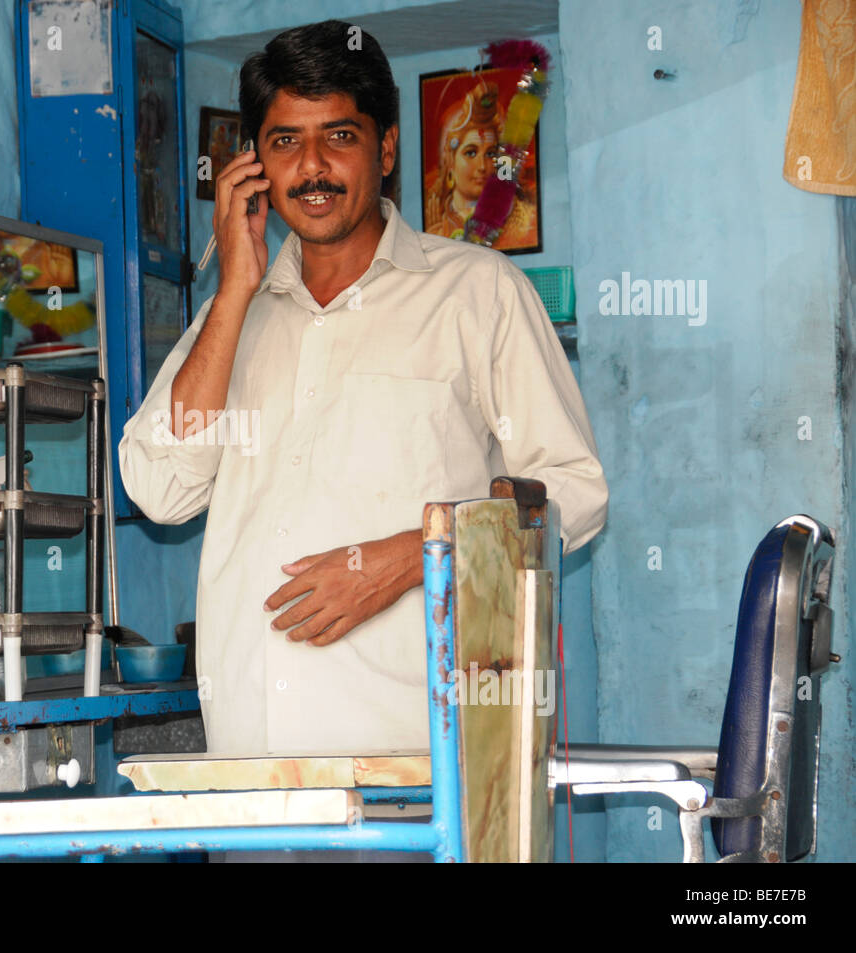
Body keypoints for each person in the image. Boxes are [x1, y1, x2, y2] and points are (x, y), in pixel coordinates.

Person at [118, 19, 606, 759]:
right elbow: (158, 487)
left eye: (338, 137)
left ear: (386, 147)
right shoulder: (233, 318)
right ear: (253, 166)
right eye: (285, 142)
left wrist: (417, 554)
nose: (312, 167)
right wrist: (230, 292)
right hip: (253, 777)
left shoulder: (477, 294)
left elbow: (570, 492)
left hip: (422, 775)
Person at [424, 79, 538, 249]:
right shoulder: (434, 234)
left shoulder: (522, 225)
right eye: (470, 153)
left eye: (491, 154)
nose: (483, 166)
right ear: (450, 164)